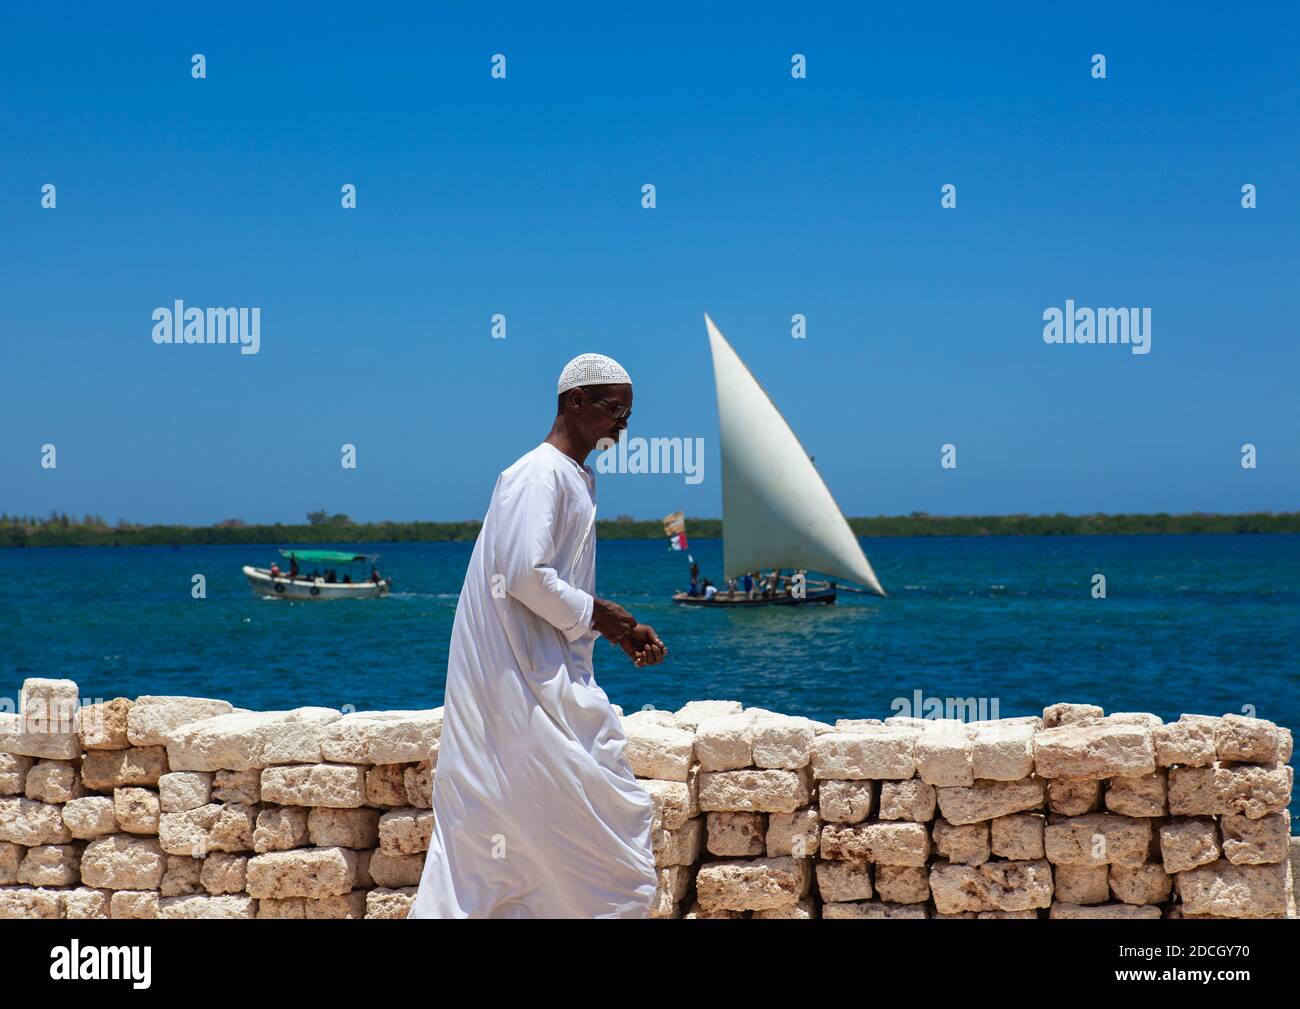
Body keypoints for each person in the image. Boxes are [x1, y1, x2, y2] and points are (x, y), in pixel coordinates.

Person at [408, 352, 667, 920]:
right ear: (575, 403)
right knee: (553, 826)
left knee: (550, 826)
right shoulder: (537, 474)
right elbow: (526, 575)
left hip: (546, 676)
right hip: (520, 687)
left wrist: (610, 628)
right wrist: (606, 619)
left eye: (629, 413)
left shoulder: (575, 476)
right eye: (614, 410)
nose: (623, 425)